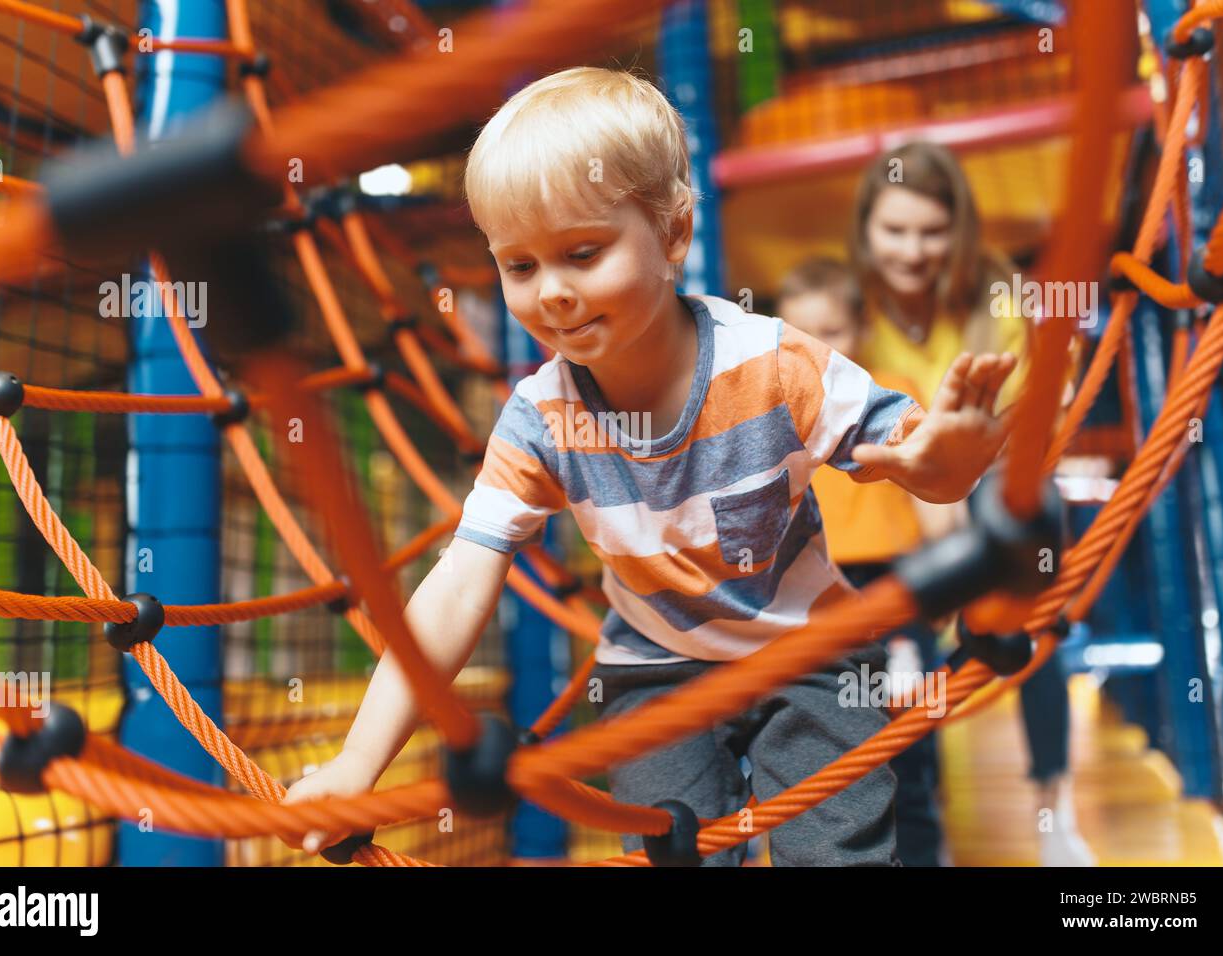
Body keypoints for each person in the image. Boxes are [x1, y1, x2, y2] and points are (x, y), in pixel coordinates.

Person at [283, 69, 1016, 866]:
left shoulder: (776, 366)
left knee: (840, 846)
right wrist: (359, 763)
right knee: (671, 847)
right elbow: (459, 583)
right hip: (655, 673)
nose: (553, 293)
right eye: (519, 267)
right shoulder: (541, 419)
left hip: (812, 653)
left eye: (583, 253)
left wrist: (948, 463)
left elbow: (922, 468)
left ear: (673, 235)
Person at [850, 140, 1095, 867]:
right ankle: (922, 816)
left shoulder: (1003, 299)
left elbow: (1032, 429)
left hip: (989, 498)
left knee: (1032, 621)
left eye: (932, 231)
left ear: (960, 231)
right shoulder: (853, 314)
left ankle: (1055, 807)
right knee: (892, 653)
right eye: (895, 231)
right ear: (865, 231)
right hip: (896, 516)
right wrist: (926, 487)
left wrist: (959, 483)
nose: (914, 250)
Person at [776, 256, 950, 866]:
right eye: (803, 335)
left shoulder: (891, 393)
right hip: (813, 591)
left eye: (835, 331)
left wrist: (948, 582)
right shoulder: (778, 408)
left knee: (908, 743)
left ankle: (926, 853)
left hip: (893, 590)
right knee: (826, 736)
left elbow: (933, 495)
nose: (820, 349)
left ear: (861, 328)